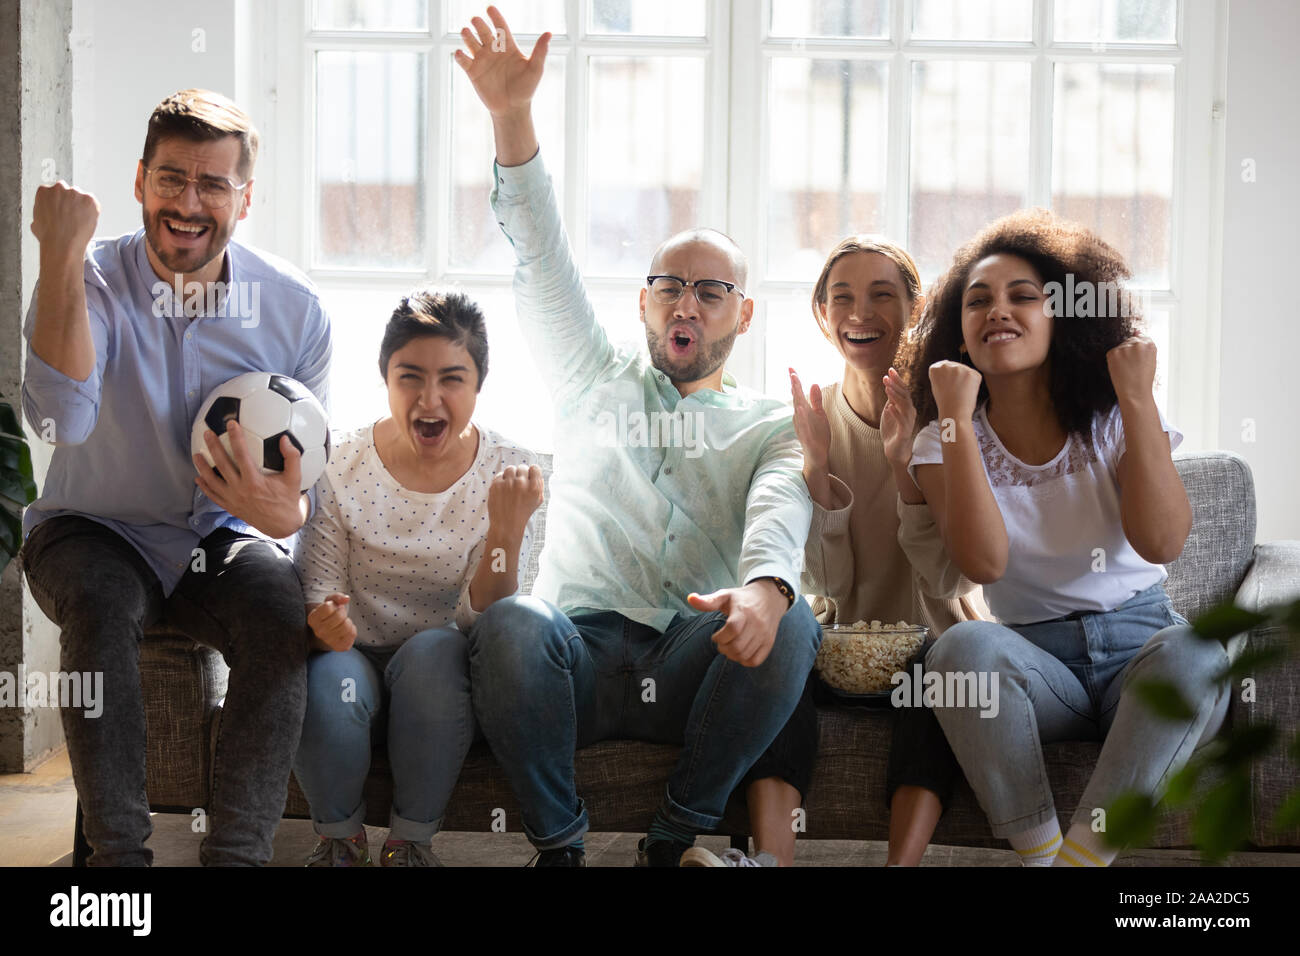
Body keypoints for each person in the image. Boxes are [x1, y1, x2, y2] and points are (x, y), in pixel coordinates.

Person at [455, 6, 820, 868]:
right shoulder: (589, 372)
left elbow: (781, 509)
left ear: (744, 312)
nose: (685, 302)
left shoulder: (771, 423)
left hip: (691, 653)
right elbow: (541, 258)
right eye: (668, 285)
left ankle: (674, 840)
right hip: (572, 653)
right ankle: (560, 846)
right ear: (644, 301)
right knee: (509, 624)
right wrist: (512, 118)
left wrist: (767, 588)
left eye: (709, 289)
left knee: (790, 616)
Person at [17, 89, 332, 865]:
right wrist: (56, 256)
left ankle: (237, 856)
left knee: (275, 611)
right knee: (99, 599)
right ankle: (118, 863)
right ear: (139, 181)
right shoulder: (86, 278)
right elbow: (63, 421)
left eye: (213, 184)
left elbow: (307, 494)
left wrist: (281, 513)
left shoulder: (294, 311)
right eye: (171, 179)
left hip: (218, 533)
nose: (188, 204)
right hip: (91, 526)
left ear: (245, 198)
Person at [903, 209, 1229, 867]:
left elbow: (1163, 542)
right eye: (978, 301)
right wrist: (956, 422)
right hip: (1039, 669)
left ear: (1063, 318)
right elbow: (983, 562)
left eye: (1024, 296)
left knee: (1196, 650)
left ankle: (1078, 862)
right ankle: (1041, 852)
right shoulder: (941, 441)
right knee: (959, 651)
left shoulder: (1113, 417)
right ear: (960, 335)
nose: (999, 310)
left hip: (1143, 656)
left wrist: (1138, 400)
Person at [292, 290, 540, 867]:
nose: (431, 399)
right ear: (385, 378)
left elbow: (487, 627)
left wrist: (505, 531)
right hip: (351, 653)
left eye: (453, 379)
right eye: (411, 377)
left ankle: (408, 845)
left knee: (434, 653)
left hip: (443, 671)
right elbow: (318, 588)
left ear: (479, 386)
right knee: (329, 678)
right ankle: (339, 843)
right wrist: (321, 621)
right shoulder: (337, 462)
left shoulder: (516, 471)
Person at [789, 236, 986, 866]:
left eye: (882, 295)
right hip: (840, 648)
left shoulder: (950, 421)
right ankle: (768, 855)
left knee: (944, 671)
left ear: (916, 305)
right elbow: (822, 581)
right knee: (771, 660)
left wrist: (903, 465)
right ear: (822, 314)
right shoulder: (811, 420)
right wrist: (818, 470)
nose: (860, 313)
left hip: (934, 642)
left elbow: (951, 575)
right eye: (841, 297)